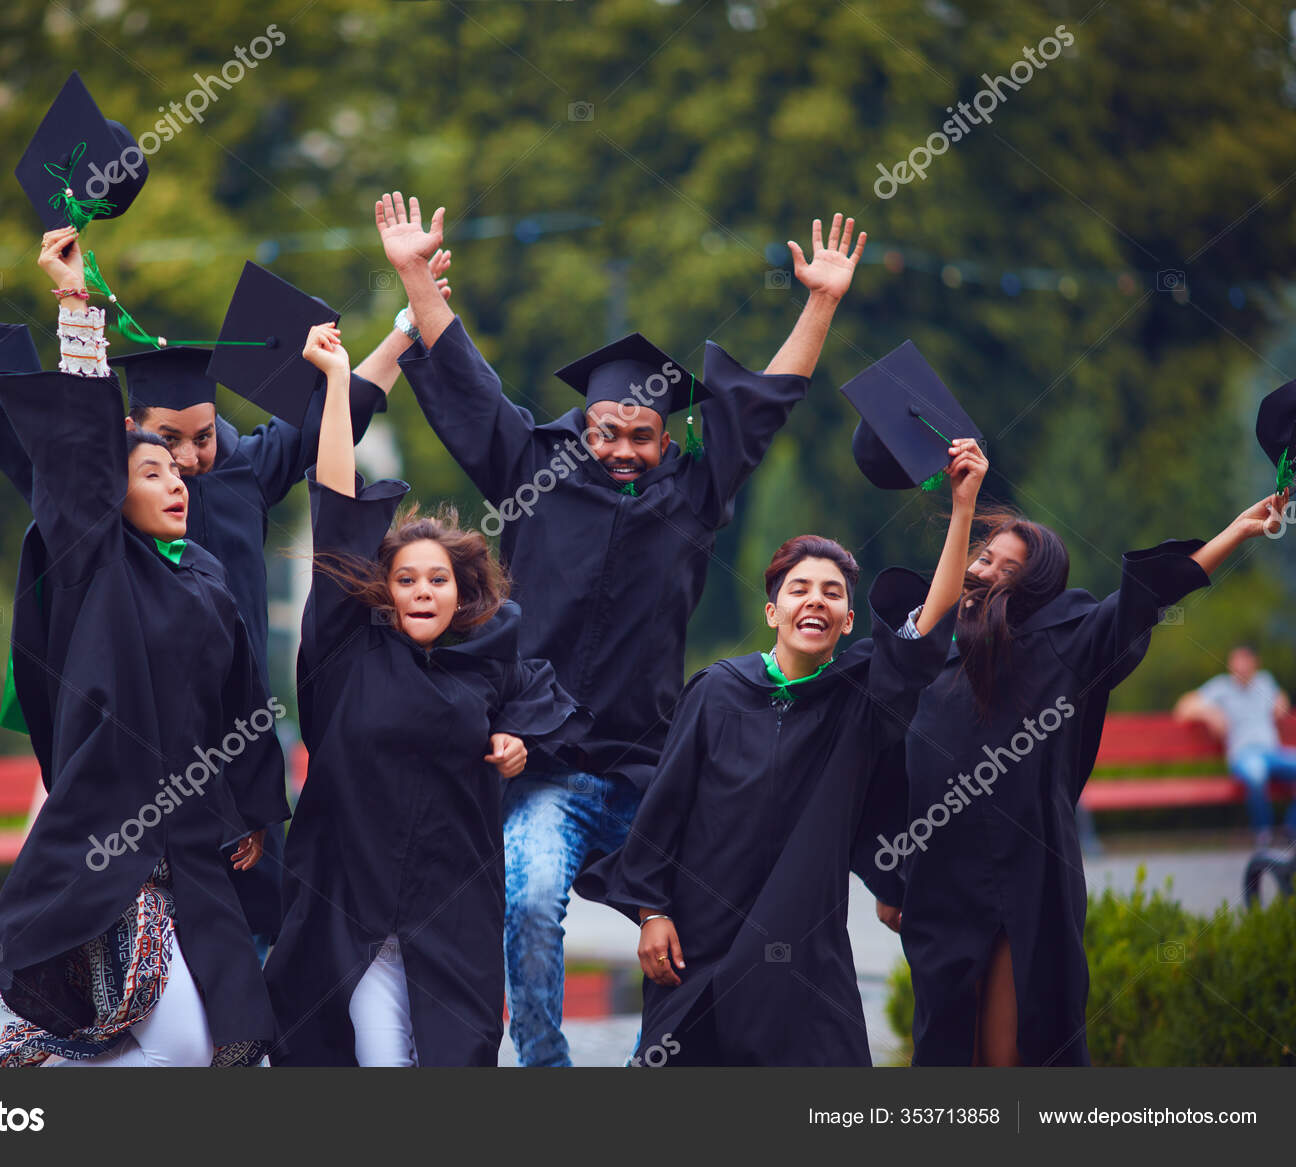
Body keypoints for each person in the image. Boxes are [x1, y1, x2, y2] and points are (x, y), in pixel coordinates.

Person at [0, 188, 449, 950]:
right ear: (128, 440)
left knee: (265, 967)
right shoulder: (94, 508)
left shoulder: (242, 470)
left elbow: (340, 408)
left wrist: (407, 325)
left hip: (236, 773)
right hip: (130, 776)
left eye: (202, 439)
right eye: (164, 446)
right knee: (139, 979)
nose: (186, 464)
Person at [376, 190, 867, 1065]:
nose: (624, 450)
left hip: (654, 766)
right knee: (526, 901)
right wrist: (418, 276)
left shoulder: (691, 490)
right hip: (549, 766)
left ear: (666, 432)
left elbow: (760, 406)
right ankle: (545, 1066)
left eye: (643, 435)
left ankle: (665, 1064)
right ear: (584, 423)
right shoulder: (533, 471)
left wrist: (820, 302)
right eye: (608, 432)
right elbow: (466, 381)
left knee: (695, 909)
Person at [0, 229, 290, 1067]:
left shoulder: (206, 579)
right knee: (179, 1038)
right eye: (152, 473)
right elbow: (78, 455)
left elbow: (244, 701)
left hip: (193, 835)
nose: (176, 481)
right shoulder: (93, 567)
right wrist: (79, 314)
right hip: (109, 836)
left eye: (180, 474)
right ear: (110, 496)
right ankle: (50, 1054)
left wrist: (254, 805)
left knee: (237, 1041)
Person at [573, 438, 983, 1066]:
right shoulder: (716, 692)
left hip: (801, 952)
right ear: (772, 611)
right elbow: (665, 805)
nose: (815, 599)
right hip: (700, 947)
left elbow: (926, 631)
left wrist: (961, 510)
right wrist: (651, 910)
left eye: (832, 592)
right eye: (799, 589)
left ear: (849, 621)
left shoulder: (855, 702)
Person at [264, 322, 590, 1066]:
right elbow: (339, 508)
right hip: (353, 904)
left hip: (451, 907)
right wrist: (341, 383)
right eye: (406, 578)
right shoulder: (350, 650)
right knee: (380, 1061)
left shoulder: (487, 657)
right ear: (386, 590)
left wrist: (517, 738)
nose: (421, 590)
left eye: (437, 579)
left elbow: (536, 707)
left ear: (460, 591)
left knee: (457, 1058)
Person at [874, 491, 1289, 1066]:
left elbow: (1146, 598)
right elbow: (894, 772)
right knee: (946, 1052)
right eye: (986, 558)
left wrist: (1236, 533)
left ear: (1034, 589)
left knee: (1014, 1053)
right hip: (941, 884)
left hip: (1028, 881)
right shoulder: (929, 658)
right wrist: (889, 879)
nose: (986, 572)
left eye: (1008, 568)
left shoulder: (1065, 646)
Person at [1175, 646, 1296, 846]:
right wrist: (1209, 712)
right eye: (1236, 662)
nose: (1240, 667)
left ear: (1255, 664)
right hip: (1244, 755)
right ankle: (1263, 834)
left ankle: (1290, 831)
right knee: (1256, 774)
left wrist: (1282, 699)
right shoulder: (1221, 688)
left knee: (1267, 767)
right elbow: (1183, 706)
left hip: (1272, 752)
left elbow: (1280, 696)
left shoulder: (1265, 682)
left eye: (1245, 661)